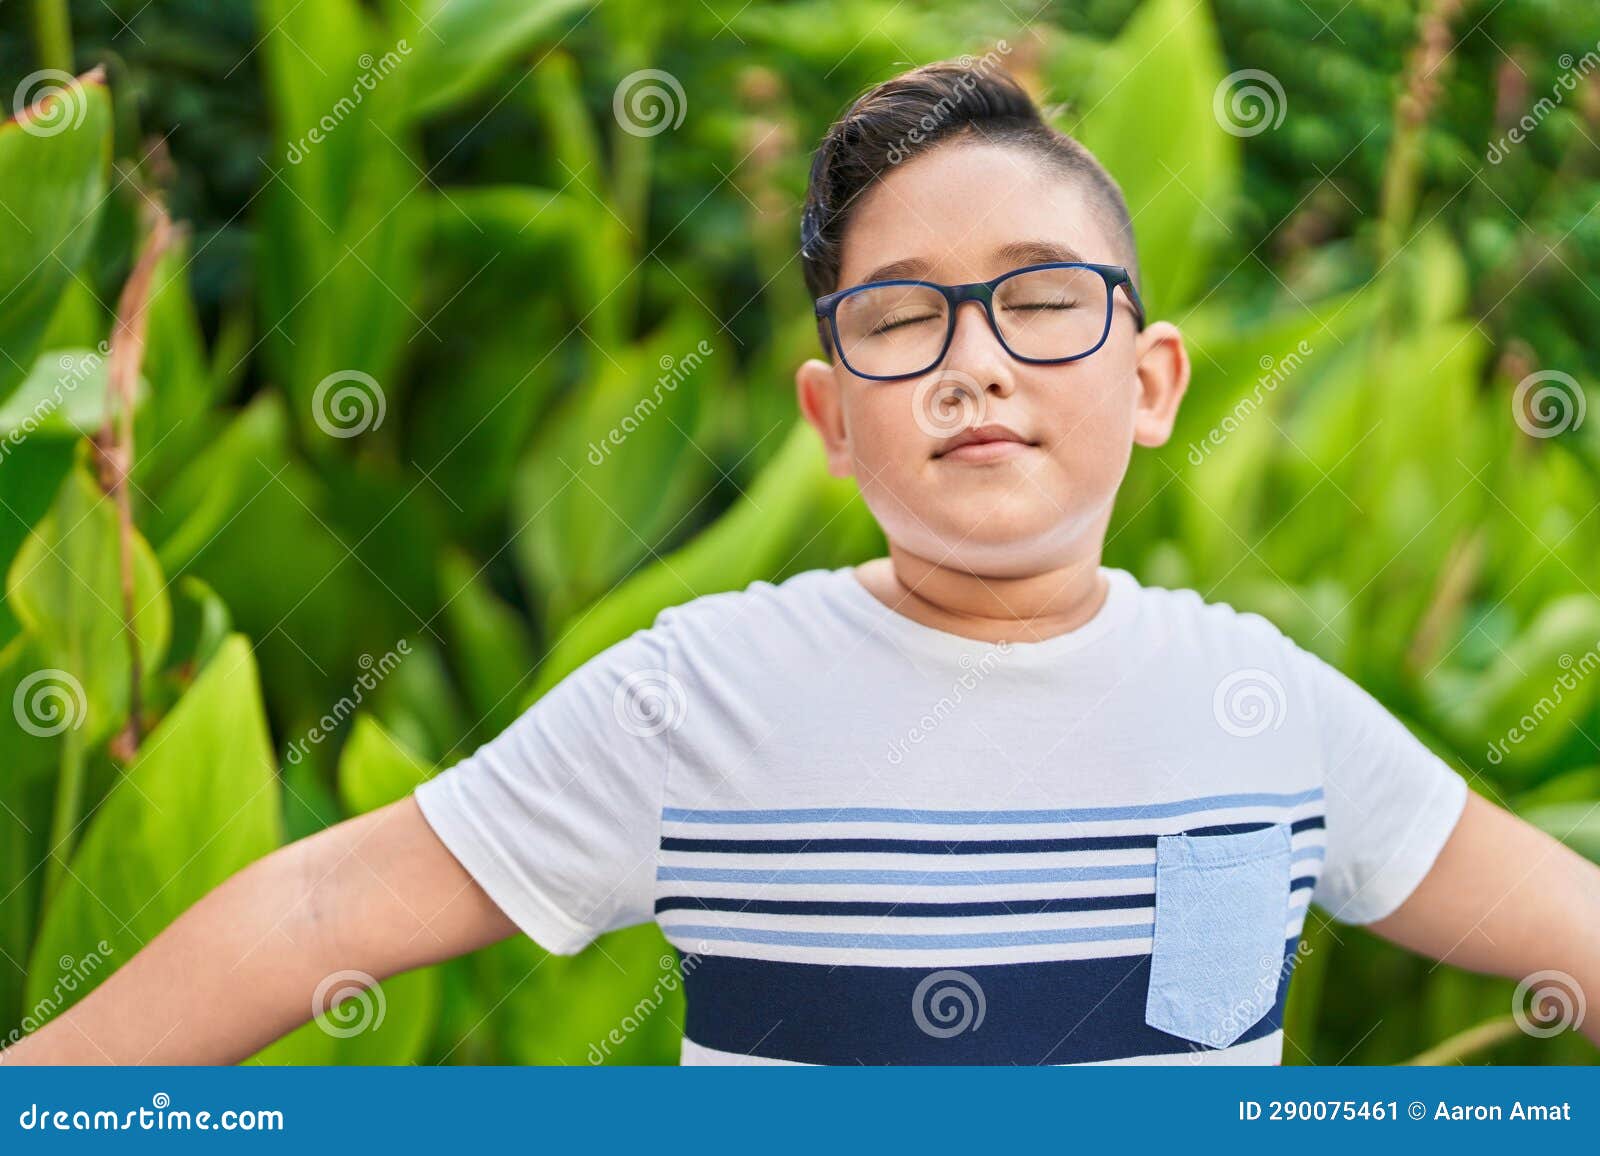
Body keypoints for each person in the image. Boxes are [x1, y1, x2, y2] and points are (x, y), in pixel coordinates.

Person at [6, 61, 1597, 1066]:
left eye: (1040, 300)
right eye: (904, 317)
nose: (974, 363)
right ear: (833, 422)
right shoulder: (698, 696)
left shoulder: (1269, 710)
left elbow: (1562, 932)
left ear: (1155, 380)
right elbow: (323, 909)